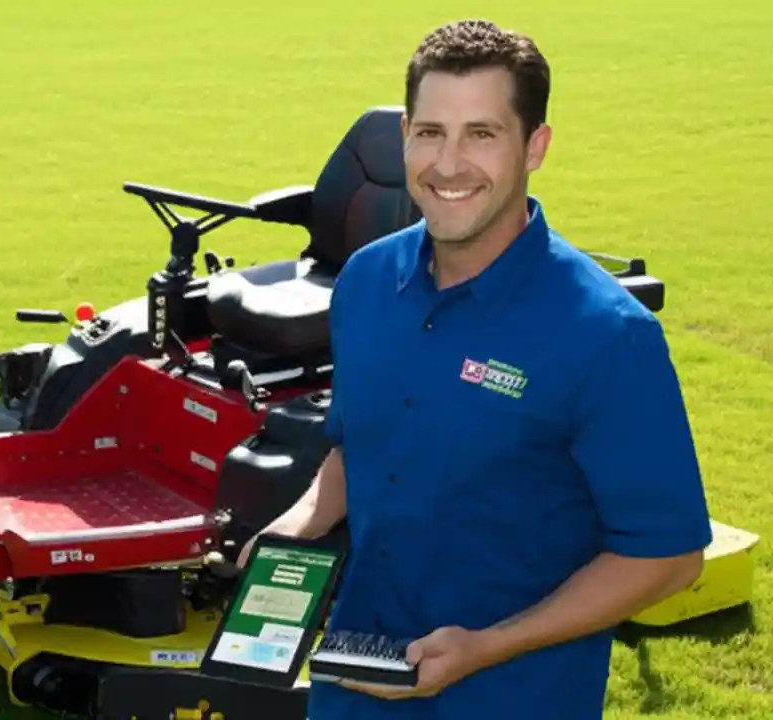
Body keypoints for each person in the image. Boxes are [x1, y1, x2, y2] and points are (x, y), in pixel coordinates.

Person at [237, 18, 712, 719]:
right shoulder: (366, 280)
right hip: (353, 688)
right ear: (404, 135)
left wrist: (487, 646)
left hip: (511, 696)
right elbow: (357, 441)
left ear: (536, 146)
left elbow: (669, 558)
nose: (449, 164)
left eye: (481, 135)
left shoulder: (607, 335)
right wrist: (301, 522)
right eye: (431, 132)